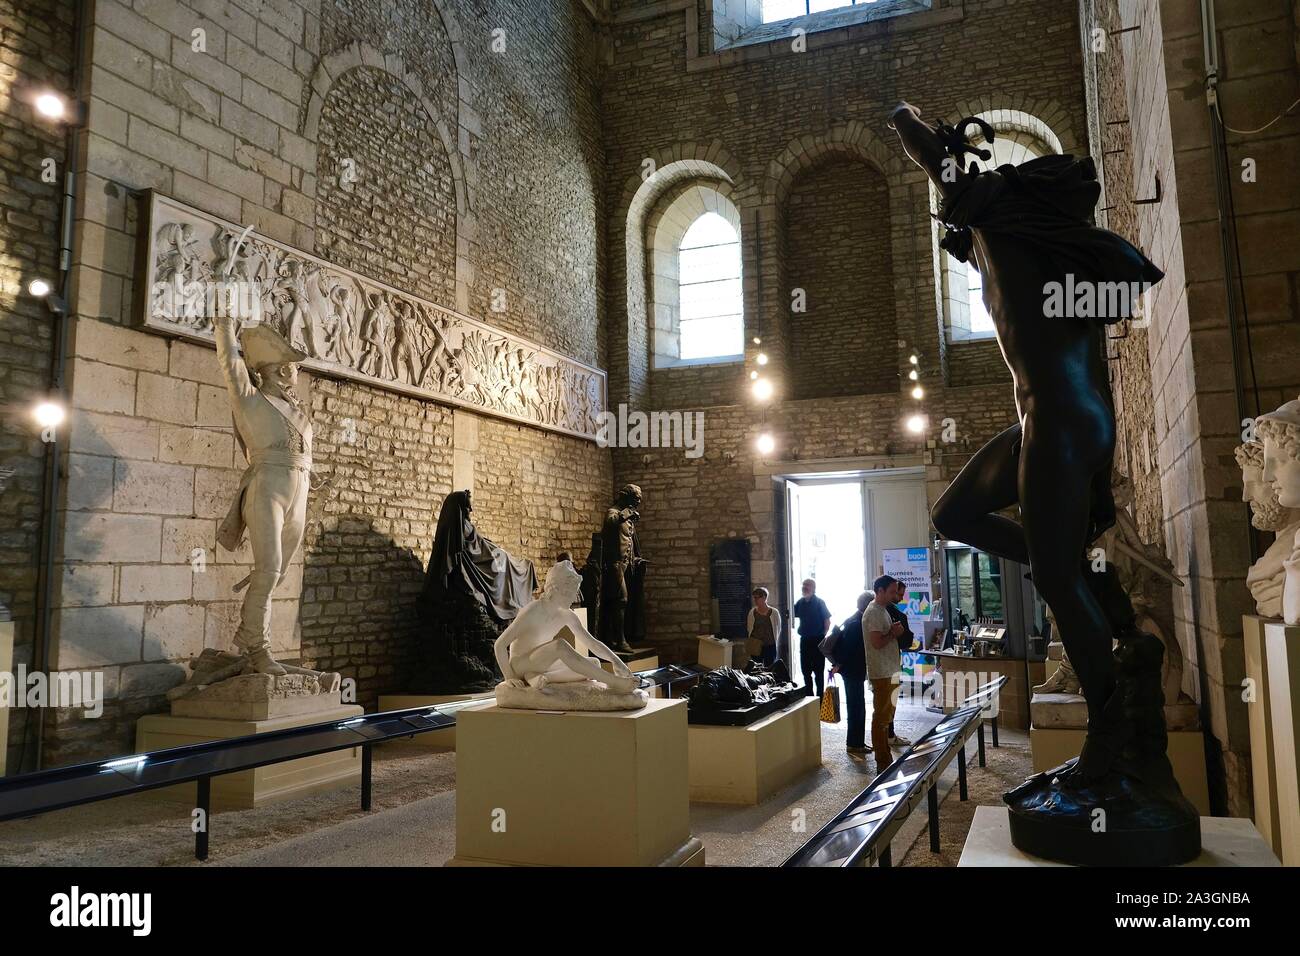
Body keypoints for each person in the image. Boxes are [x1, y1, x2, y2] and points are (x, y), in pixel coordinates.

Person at [862, 575, 906, 772]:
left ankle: (885, 756)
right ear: (879, 591)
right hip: (882, 672)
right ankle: (883, 761)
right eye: (891, 592)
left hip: (889, 669)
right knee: (881, 717)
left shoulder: (882, 610)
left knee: (886, 715)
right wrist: (893, 634)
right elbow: (877, 642)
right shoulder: (873, 612)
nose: (895, 595)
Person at [828, 592, 871, 757]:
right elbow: (848, 649)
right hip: (852, 671)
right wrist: (839, 664)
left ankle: (857, 742)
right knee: (856, 707)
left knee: (858, 706)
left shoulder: (856, 619)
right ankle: (854, 743)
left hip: (853, 670)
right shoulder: (857, 623)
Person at [882, 578, 915, 748]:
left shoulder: (894, 613)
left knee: (891, 702)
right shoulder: (884, 613)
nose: (900, 598)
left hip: (892, 662)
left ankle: (890, 734)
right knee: (886, 704)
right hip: (885, 667)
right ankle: (887, 737)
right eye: (897, 593)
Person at [792, 578, 832, 698]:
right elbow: (791, 614)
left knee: (818, 672)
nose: (805, 587)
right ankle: (809, 698)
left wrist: (823, 636)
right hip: (805, 641)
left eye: (808, 585)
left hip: (818, 641)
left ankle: (820, 699)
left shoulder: (819, 602)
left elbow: (827, 621)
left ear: (814, 588)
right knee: (805, 671)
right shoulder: (800, 603)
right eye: (803, 585)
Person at [746, 587, 782, 668]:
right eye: (754, 598)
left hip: (770, 645)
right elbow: (749, 628)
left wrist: (774, 640)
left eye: (757, 597)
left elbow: (778, 628)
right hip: (756, 645)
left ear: (764, 597)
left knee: (770, 668)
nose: (755, 600)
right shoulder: (752, 612)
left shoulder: (774, 612)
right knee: (757, 669)